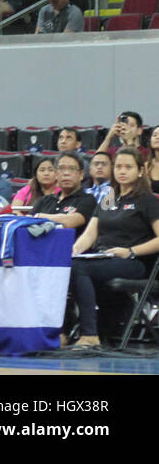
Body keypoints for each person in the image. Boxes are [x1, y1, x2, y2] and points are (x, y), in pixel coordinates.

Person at [68, 148, 159, 348]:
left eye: (128, 167)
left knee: (78, 268)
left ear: (140, 171)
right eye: (118, 166)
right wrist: (73, 251)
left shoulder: (147, 200)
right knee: (68, 264)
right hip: (103, 257)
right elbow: (91, 234)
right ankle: (65, 332)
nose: (122, 171)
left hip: (133, 261)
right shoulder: (109, 197)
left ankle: (90, 334)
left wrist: (131, 251)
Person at [30, 153, 96, 237]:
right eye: (61, 168)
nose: (66, 173)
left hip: (71, 248)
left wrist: (38, 216)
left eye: (72, 169)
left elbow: (70, 222)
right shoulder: (43, 200)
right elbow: (27, 221)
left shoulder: (88, 200)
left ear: (81, 175)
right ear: (56, 174)